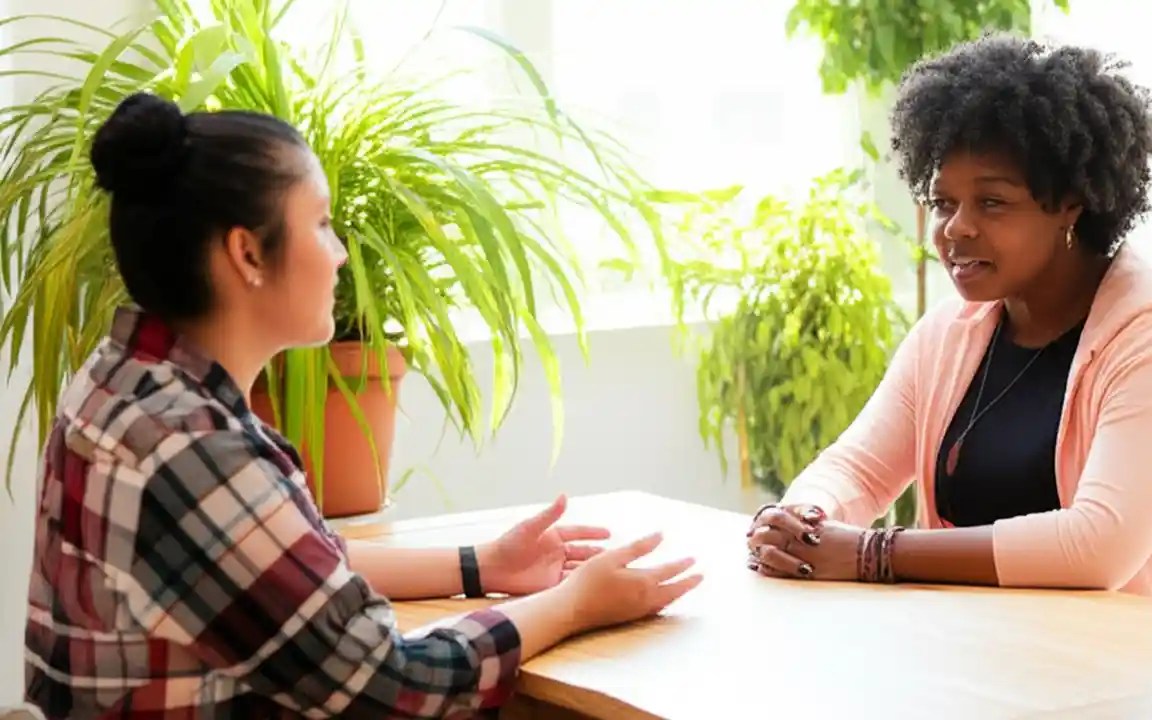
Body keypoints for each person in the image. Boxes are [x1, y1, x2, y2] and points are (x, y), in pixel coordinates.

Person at [24, 92, 702, 718]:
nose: (342, 254)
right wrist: (577, 604)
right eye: (320, 224)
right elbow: (395, 686)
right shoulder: (191, 444)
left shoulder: (125, 382)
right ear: (247, 253)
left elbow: (289, 563)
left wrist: (483, 563)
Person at [746, 34, 1152, 613]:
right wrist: (801, 522)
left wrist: (874, 553)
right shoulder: (949, 335)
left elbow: (1098, 546)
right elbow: (856, 467)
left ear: (1071, 205)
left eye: (991, 203)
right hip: (979, 660)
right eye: (942, 203)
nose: (955, 229)